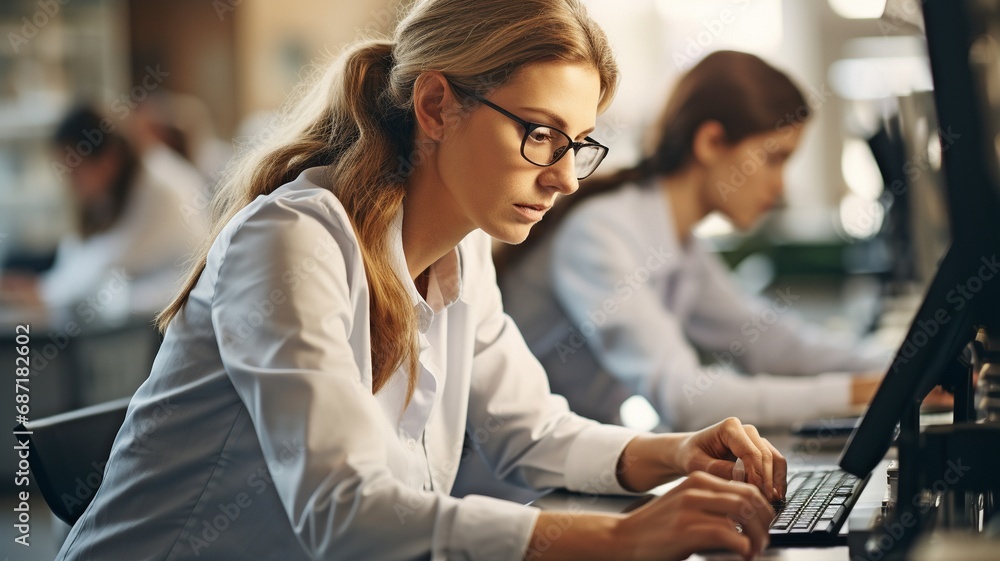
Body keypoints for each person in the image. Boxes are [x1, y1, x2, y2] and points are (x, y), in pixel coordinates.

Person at [57, 4, 784, 561]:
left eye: (579, 144)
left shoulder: (463, 253)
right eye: (541, 134)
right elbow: (344, 511)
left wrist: (678, 451)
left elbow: (531, 433)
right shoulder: (290, 241)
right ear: (436, 106)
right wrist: (617, 540)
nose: (565, 176)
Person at [499, 51, 893, 432]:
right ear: (711, 142)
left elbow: (772, 343)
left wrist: (900, 366)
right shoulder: (601, 234)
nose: (779, 185)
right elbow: (685, 399)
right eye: (774, 158)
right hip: (516, 488)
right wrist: (869, 392)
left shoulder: (679, 243)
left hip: (585, 463)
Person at [0, 105, 206, 318]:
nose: (70, 184)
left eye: (75, 171)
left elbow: (113, 256)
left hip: (175, 306)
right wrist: (42, 288)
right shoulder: (115, 188)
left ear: (107, 159)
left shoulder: (159, 187)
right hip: (148, 296)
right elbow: (80, 252)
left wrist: (45, 293)